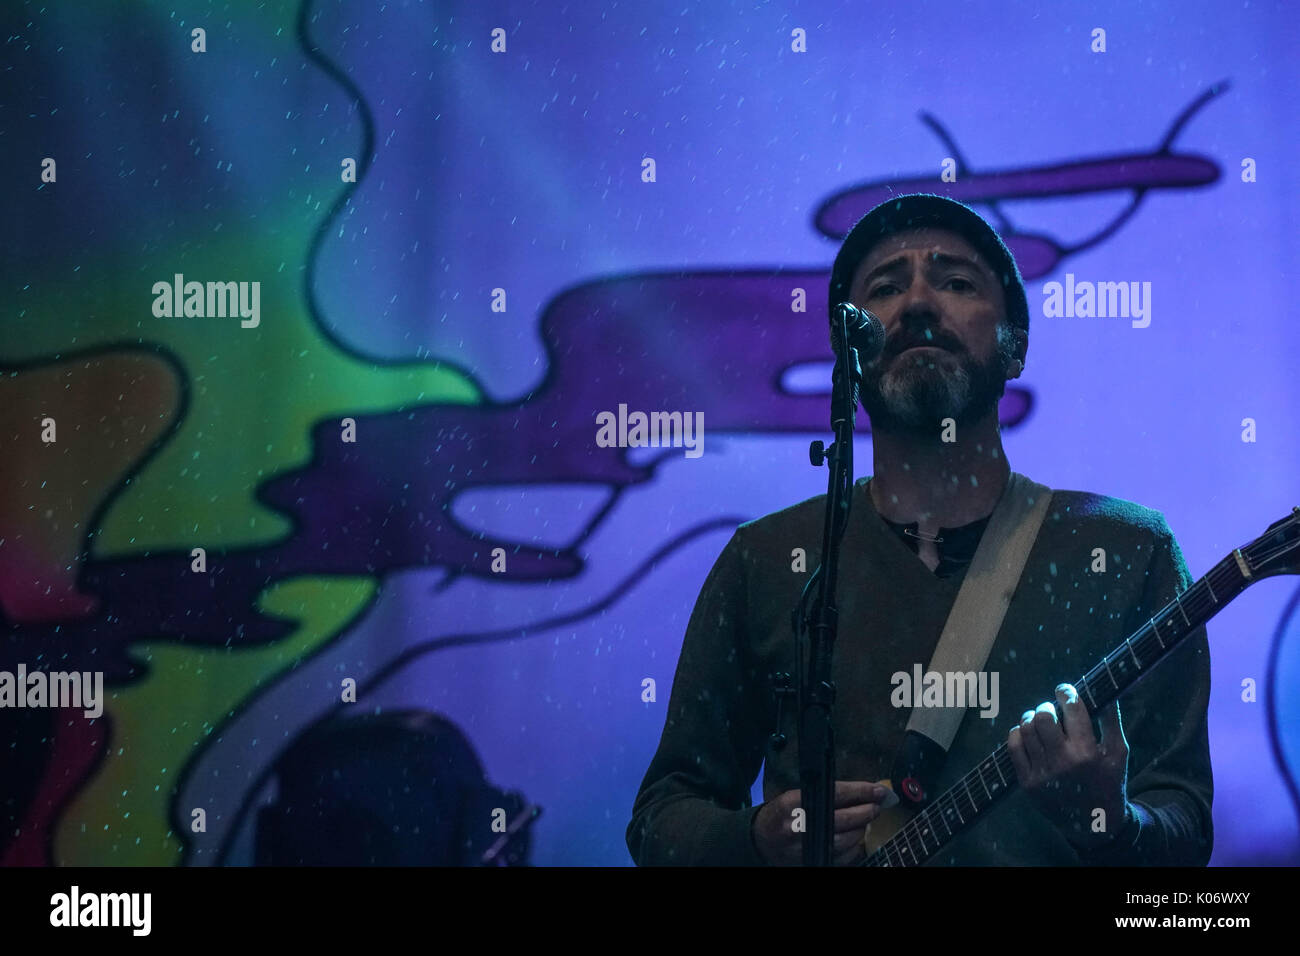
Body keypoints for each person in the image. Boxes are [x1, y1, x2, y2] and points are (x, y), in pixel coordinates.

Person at [625, 194, 1213, 866]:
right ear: (847, 356)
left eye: (956, 282)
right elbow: (660, 822)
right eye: (884, 288)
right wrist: (757, 839)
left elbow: (1187, 832)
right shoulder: (765, 562)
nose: (917, 305)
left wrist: (1109, 821)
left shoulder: (1127, 551)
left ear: (1015, 347)